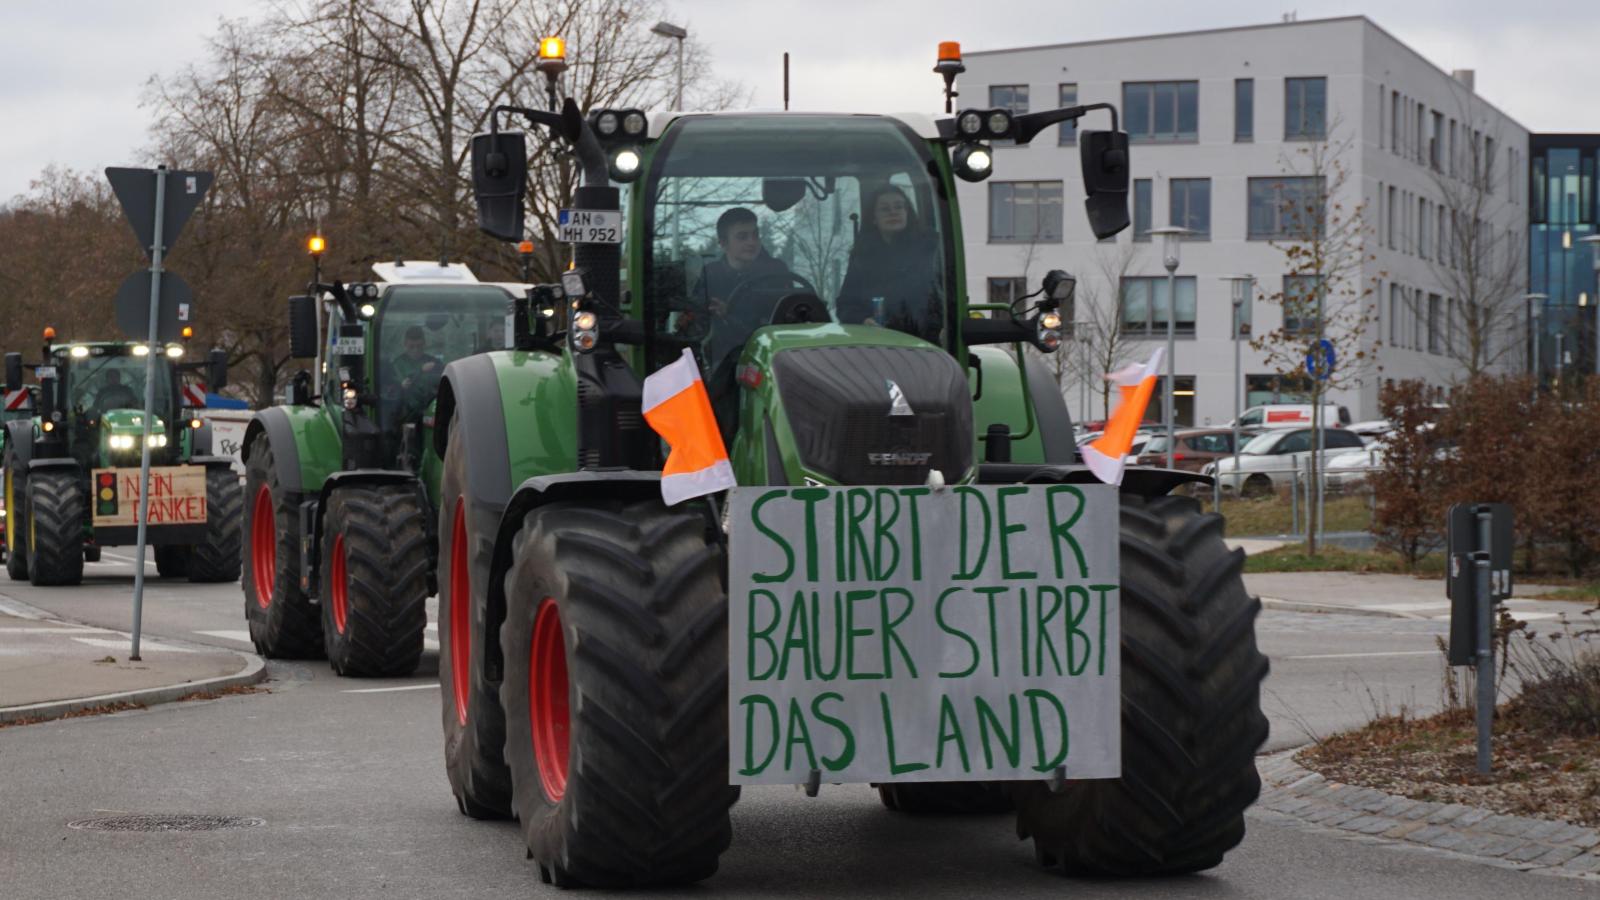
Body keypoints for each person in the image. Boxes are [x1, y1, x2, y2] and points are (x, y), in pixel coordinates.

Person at [684, 208, 792, 375]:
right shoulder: (711, 275)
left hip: (774, 359)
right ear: (723, 243)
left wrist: (729, 313)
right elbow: (697, 322)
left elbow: (786, 317)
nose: (752, 242)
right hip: (727, 360)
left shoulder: (777, 271)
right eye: (742, 237)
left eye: (755, 235)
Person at [836, 186, 944, 342]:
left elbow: (948, 294)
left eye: (899, 207)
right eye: (885, 209)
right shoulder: (863, 256)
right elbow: (846, 305)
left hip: (929, 339)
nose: (893, 212)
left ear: (908, 212)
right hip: (879, 342)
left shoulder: (932, 247)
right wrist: (863, 320)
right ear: (873, 218)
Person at [390, 325, 442, 419]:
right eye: (412, 346)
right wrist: (420, 370)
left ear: (424, 344)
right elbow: (396, 386)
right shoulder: (397, 364)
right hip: (406, 413)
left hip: (431, 411)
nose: (416, 350)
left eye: (419, 346)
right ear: (405, 344)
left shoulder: (433, 362)